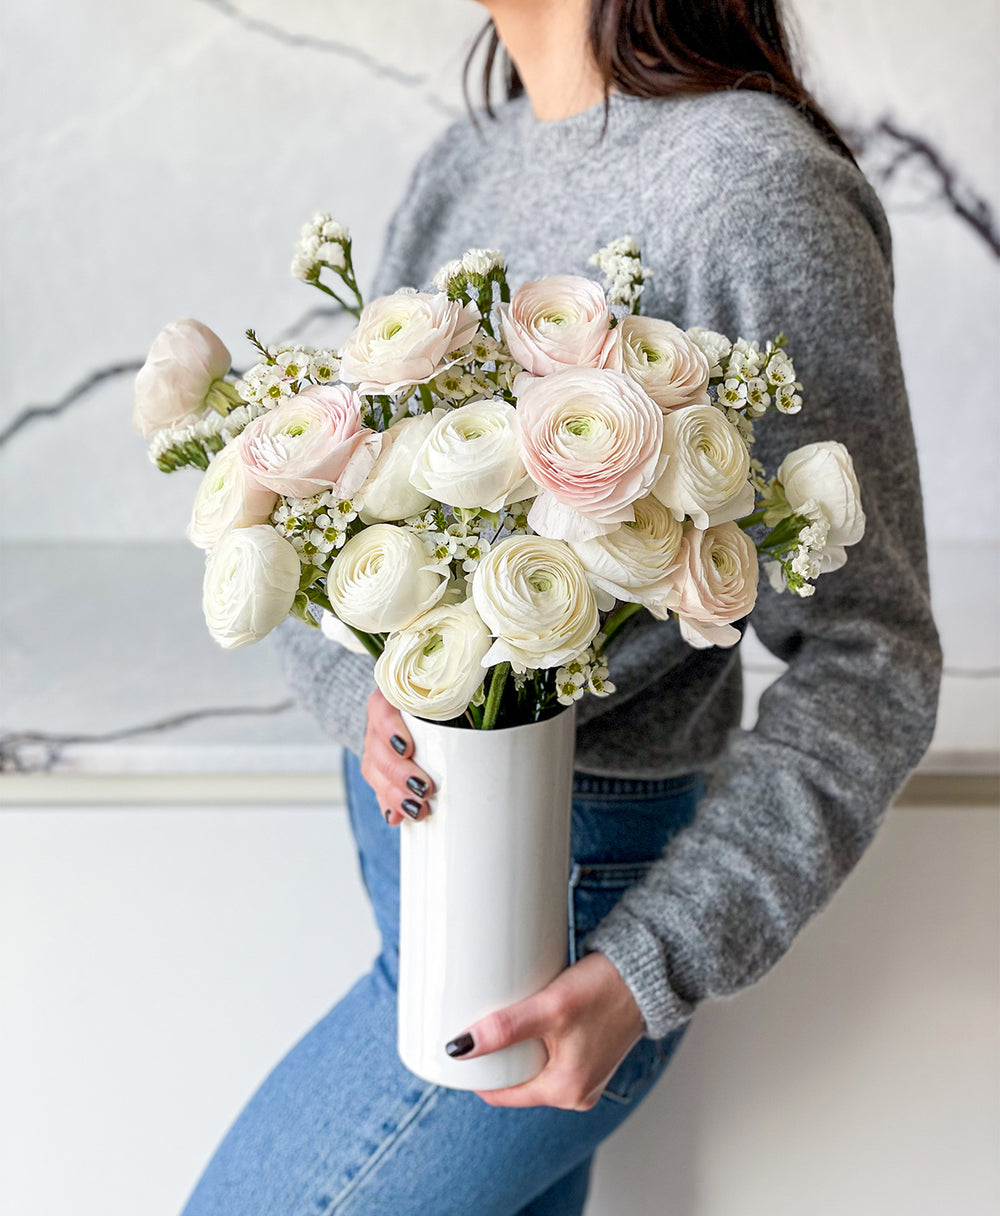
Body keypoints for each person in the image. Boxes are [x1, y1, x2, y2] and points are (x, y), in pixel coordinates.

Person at [180, 1, 942, 1212]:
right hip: (408, 877)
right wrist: (362, 690)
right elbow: (335, 526)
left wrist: (649, 965)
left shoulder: (747, 184)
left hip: (567, 914)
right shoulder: (465, 164)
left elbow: (873, 657)